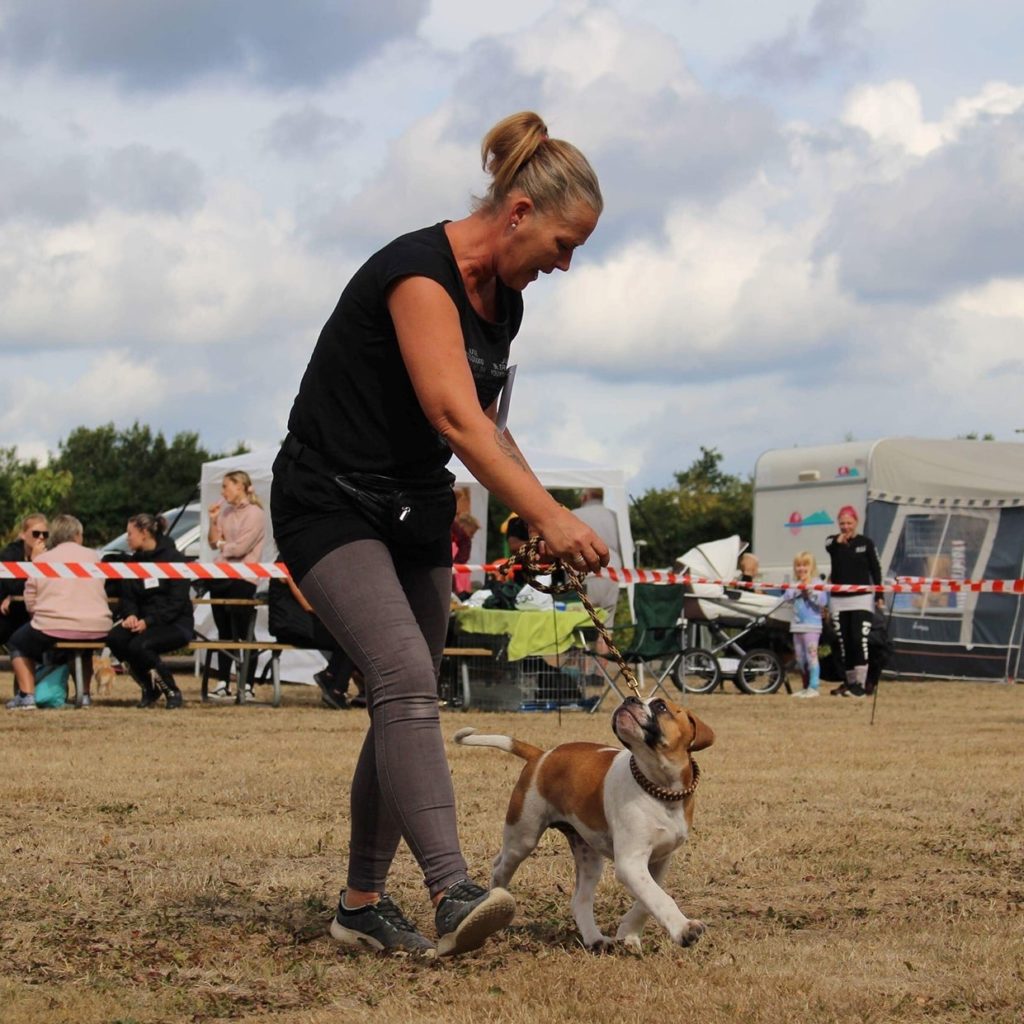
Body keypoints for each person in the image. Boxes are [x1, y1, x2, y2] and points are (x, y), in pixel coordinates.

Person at [271, 110, 608, 957]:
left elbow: (490, 429)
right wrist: (544, 513)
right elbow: (453, 416)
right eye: (563, 244)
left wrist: (549, 508)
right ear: (521, 211)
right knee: (405, 677)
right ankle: (455, 889)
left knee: (403, 697)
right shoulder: (417, 274)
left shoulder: (505, 304)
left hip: (413, 510)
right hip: (330, 501)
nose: (565, 266)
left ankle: (358, 905)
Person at [5, 515, 112, 710]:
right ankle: (85, 695)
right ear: (78, 535)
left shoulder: (43, 560)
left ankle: (27, 695)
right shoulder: (94, 557)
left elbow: (30, 598)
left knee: (17, 642)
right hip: (97, 625)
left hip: (53, 624)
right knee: (84, 648)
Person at [106, 514, 192, 709]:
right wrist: (131, 615)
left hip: (174, 623)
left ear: (144, 534)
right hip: (142, 622)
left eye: (130, 533)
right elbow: (129, 597)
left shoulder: (174, 559)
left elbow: (177, 603)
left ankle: (171, 690)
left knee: (140, 645)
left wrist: (150, 621)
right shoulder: (133, 562)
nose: (127, 538)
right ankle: (148, 686)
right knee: (115, 638)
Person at [206, 470, 266, 699]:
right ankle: (223, 681)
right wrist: (213, 521)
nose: (223, 492)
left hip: (244, 578)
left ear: (240, 486)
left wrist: (223, 545)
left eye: (226, 486)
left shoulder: (255, 514)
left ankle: (247, 683)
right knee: (224, 631)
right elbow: (213, 542)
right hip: (221, 575)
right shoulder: (225, 512)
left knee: (243, 632)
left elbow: (241, 548)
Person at [267, 576, 361, 710]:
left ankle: (331, 678)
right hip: (292, 627)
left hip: (299, 625)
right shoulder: (286, 568)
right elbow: (307, 604)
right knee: (349, 639)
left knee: (348, 636)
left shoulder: (290, 565)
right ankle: (336, 689)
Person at [825, 505, 882, 698]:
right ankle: (849, 683)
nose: (846, 526)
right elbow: (830, 546)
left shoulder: (866, 543)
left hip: (861, 599)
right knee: (845, 643)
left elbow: (876, 569)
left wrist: (880, 595)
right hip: (839, 601)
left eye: (849, 523)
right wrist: (840, 541)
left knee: (859, 640)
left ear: (856, 523)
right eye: (842, 523)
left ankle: (861, 683)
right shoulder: (832, 542)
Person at [0, 514, 49, 665]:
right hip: (9, 615)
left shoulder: (50, 555)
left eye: (45, 534)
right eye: (36, 533)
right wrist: (34, 564)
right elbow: (12, 586)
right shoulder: (10, 554)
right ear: (23, 534)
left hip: (36, 614)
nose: (41, 537)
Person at [573, 488, 622, 629]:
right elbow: (625, 546)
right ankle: (606, 650)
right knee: (607, 628)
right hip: (613, 573)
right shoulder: (615, 516)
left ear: (585, 497)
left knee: (580, 625)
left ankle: (582, 651)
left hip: (583, 574)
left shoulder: (574, 515)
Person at [783, 551, 829, 699]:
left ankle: (814, 687)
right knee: (800, 658)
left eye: (805, 565)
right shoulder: (794, 584)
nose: (801, 568)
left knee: (812, 655)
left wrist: (809, 590)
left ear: (812, 567)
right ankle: (805, 686)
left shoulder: (817, 583)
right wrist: (797, 589)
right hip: (796, 626)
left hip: (812, 626)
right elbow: (786, 598)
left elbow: (822, 601)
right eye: (798, 565)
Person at [450, 512, 480, 599]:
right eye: (471, 533)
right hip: (456, 581)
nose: (472, 537)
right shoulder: (455, 545)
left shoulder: (461, 546)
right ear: (462, 527)